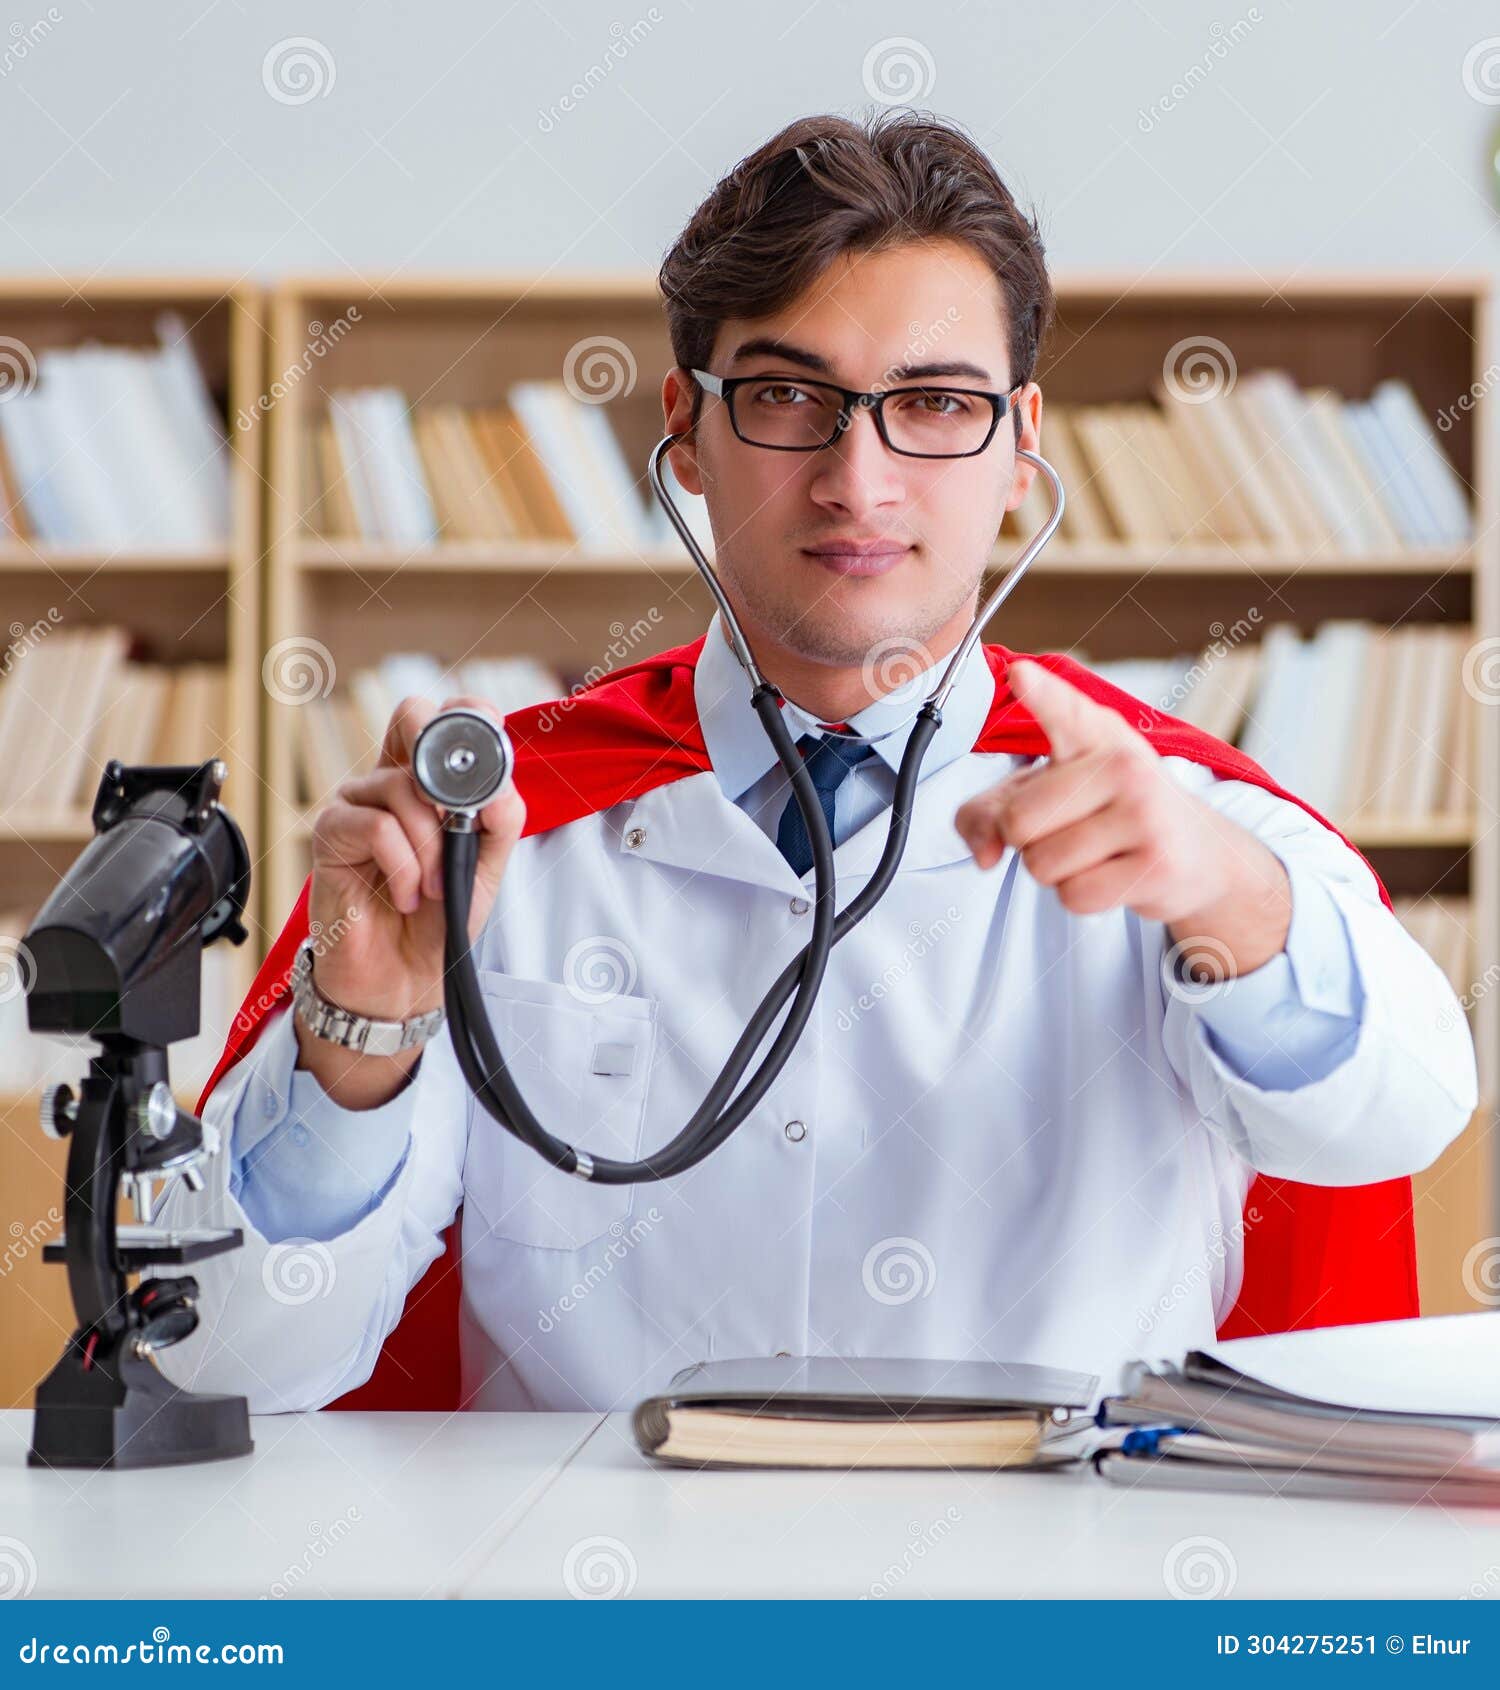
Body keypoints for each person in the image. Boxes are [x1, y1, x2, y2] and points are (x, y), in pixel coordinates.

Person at [155, 110, 1477, 1414]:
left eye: (935, 405)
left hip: (1053, 1605)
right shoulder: (494, 833)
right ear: (684, 428)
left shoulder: (1187, 824)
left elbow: (1399, 1122)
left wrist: (1233, 902)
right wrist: (362, 1035)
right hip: (596, 1607)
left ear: (1021, 448)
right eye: (791, 397)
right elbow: (217, 1357)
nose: (860, 477)